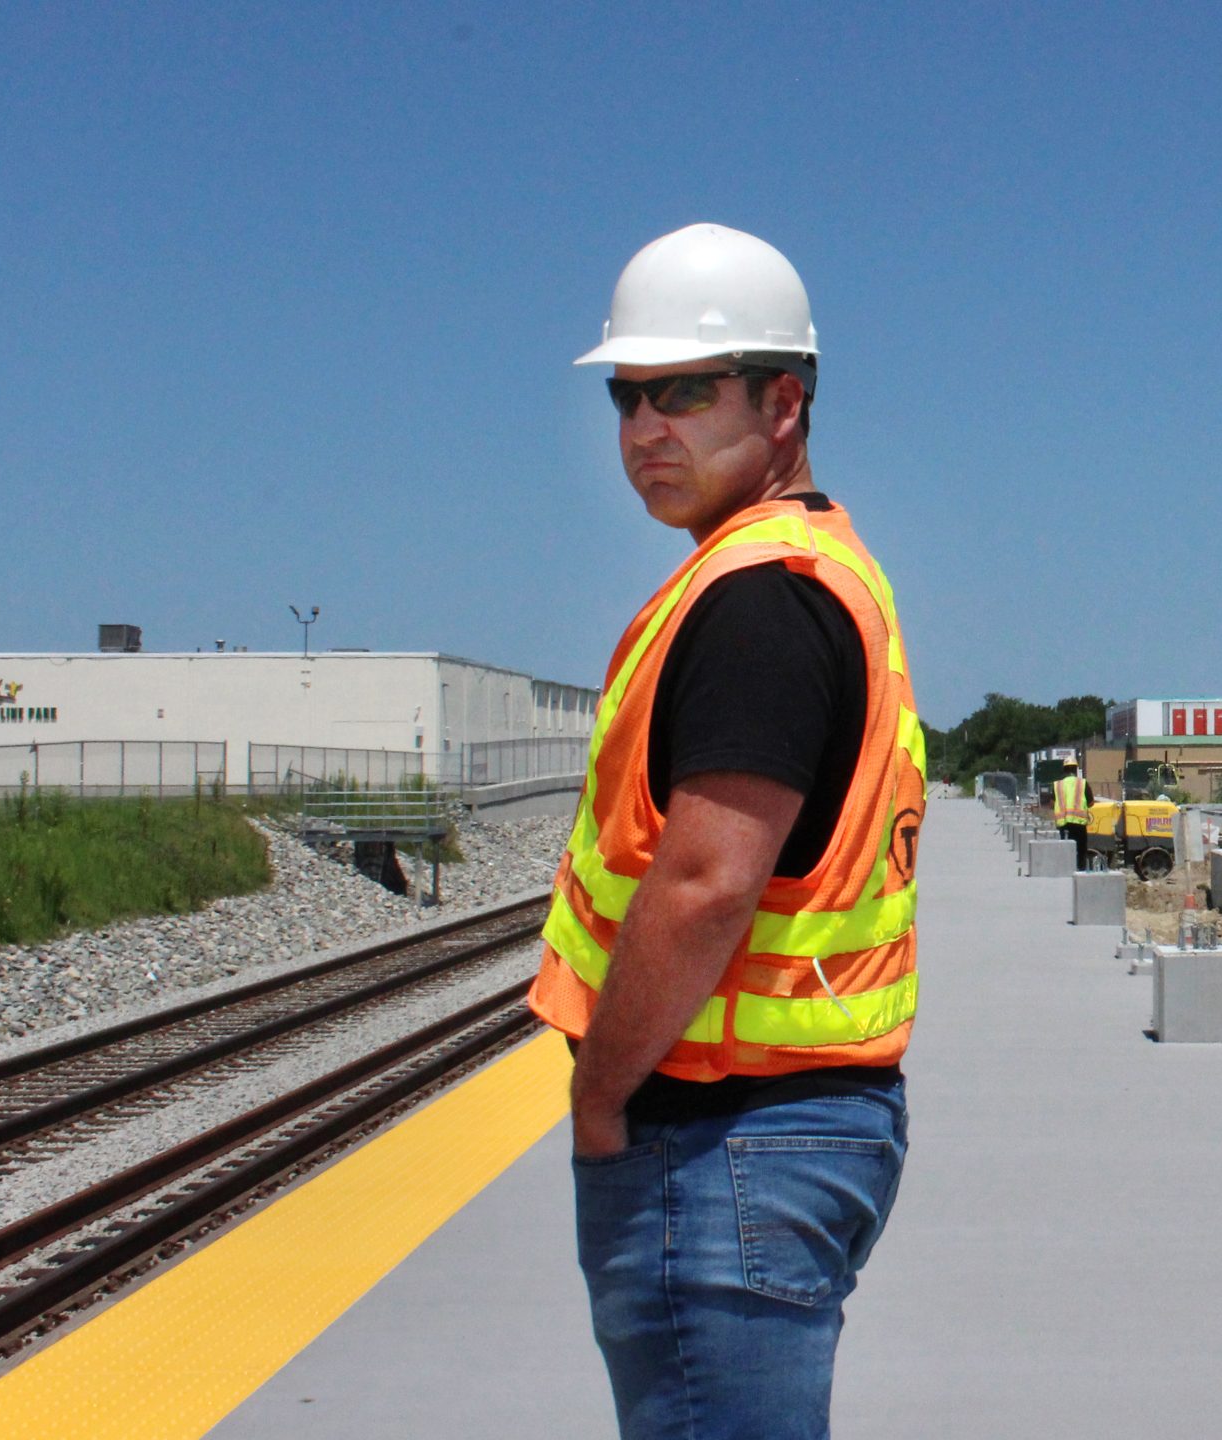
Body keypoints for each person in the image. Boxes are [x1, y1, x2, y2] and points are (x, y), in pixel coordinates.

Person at [532, 222, 923, 1440]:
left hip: (720, 1139)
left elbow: (704, 884)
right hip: (788, 1128)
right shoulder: (807, 574)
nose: (647, 429)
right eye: (628, 397)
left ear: (783, 403)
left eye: (685, 393)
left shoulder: (756, 601)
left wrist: (601, 1099)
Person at [1051, 756, 1093, 868]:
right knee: (1081, 851)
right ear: (1076, 770)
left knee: (1066, 850)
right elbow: (1091, 803)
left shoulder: (1057, 785)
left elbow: (1052, 803)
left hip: (1063, 824)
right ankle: (1080, 871)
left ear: (1064, 770)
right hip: (1079, 824)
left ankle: (1066, 870)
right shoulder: (1082, 783)